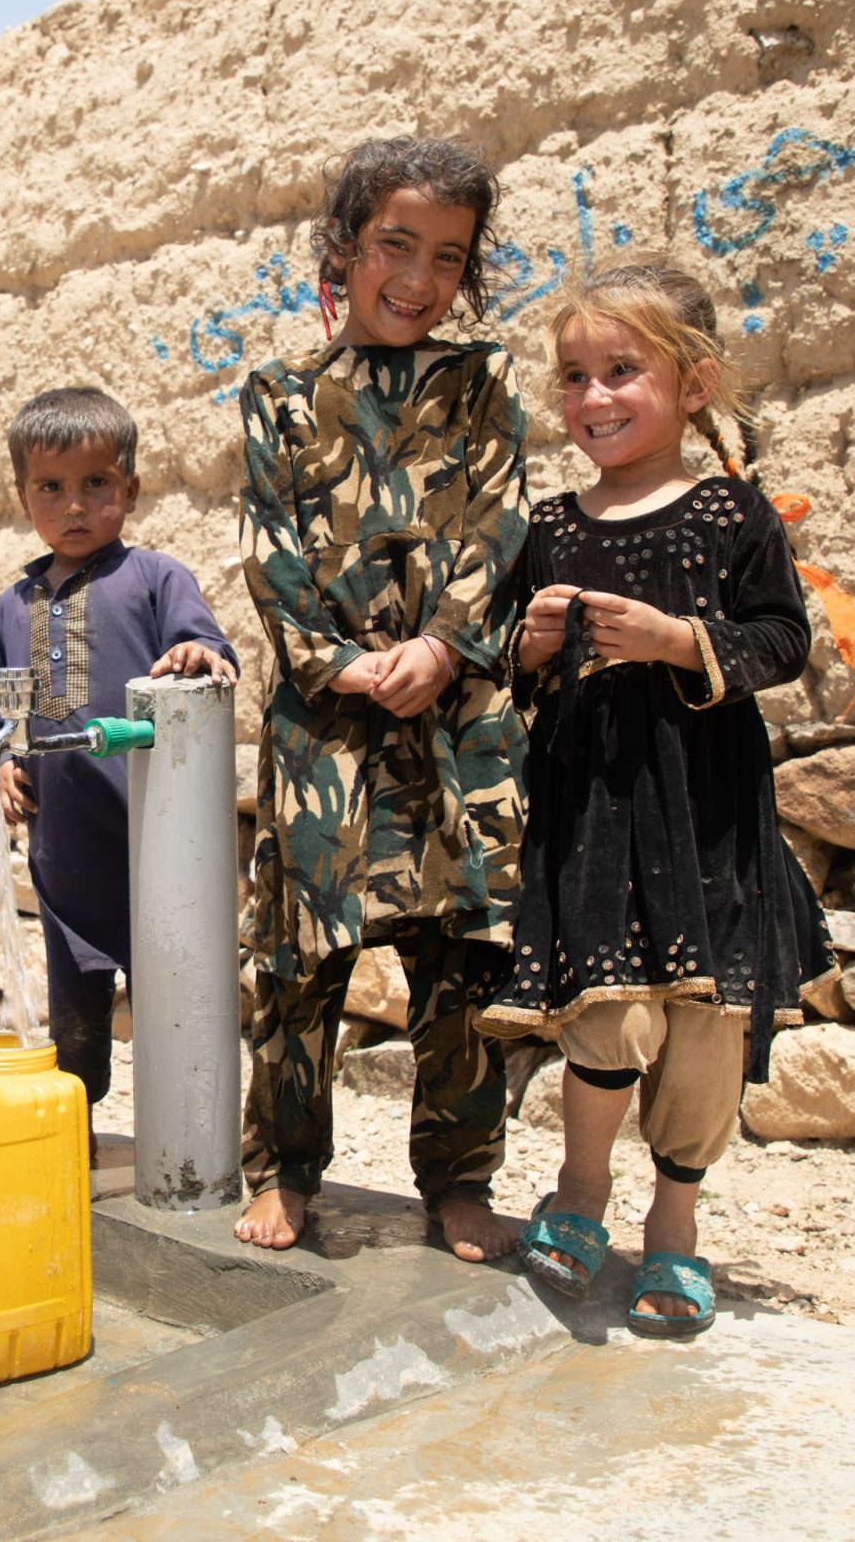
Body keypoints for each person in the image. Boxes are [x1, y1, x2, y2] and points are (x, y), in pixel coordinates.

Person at [473, 261, 828, 1336]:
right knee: (606, 1012)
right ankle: (580, 1194)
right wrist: (527, 646)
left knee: (706, 1033)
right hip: (595, 816)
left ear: (694, 384)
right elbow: (512, 671)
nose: (593, 398)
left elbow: (782, 642)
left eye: (621, 371)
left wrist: (681, 643)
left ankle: (673, 1233)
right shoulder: (548, 527)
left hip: (707, 812)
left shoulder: (730, 513)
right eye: (574, 376)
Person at [232, 136, 526, 1264]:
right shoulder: (279, 397)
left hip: (458, 723)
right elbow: (270, 552)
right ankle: (286, 1171)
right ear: (344, 252)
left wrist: (447, 649)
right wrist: (347, 667)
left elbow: (499, 527)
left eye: (447, 256)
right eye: (395, 245)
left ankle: (457, 1183)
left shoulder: (484, 383)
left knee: (462, 964)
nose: (417, 277)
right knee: (303, 962)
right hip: (329, 727)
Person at [0, 387, 238, 1132]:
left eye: (95, 485)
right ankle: (69, 1153)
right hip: (66, 857)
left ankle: (184, 1150)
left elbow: (212, 652)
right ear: (23, 497)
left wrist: (195, 652)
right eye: (51, 488)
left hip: (154, 848)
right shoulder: (13, 606)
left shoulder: (153, 578)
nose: (73, 505)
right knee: (74, 1027)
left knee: (172, 1014)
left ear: (130, 489)